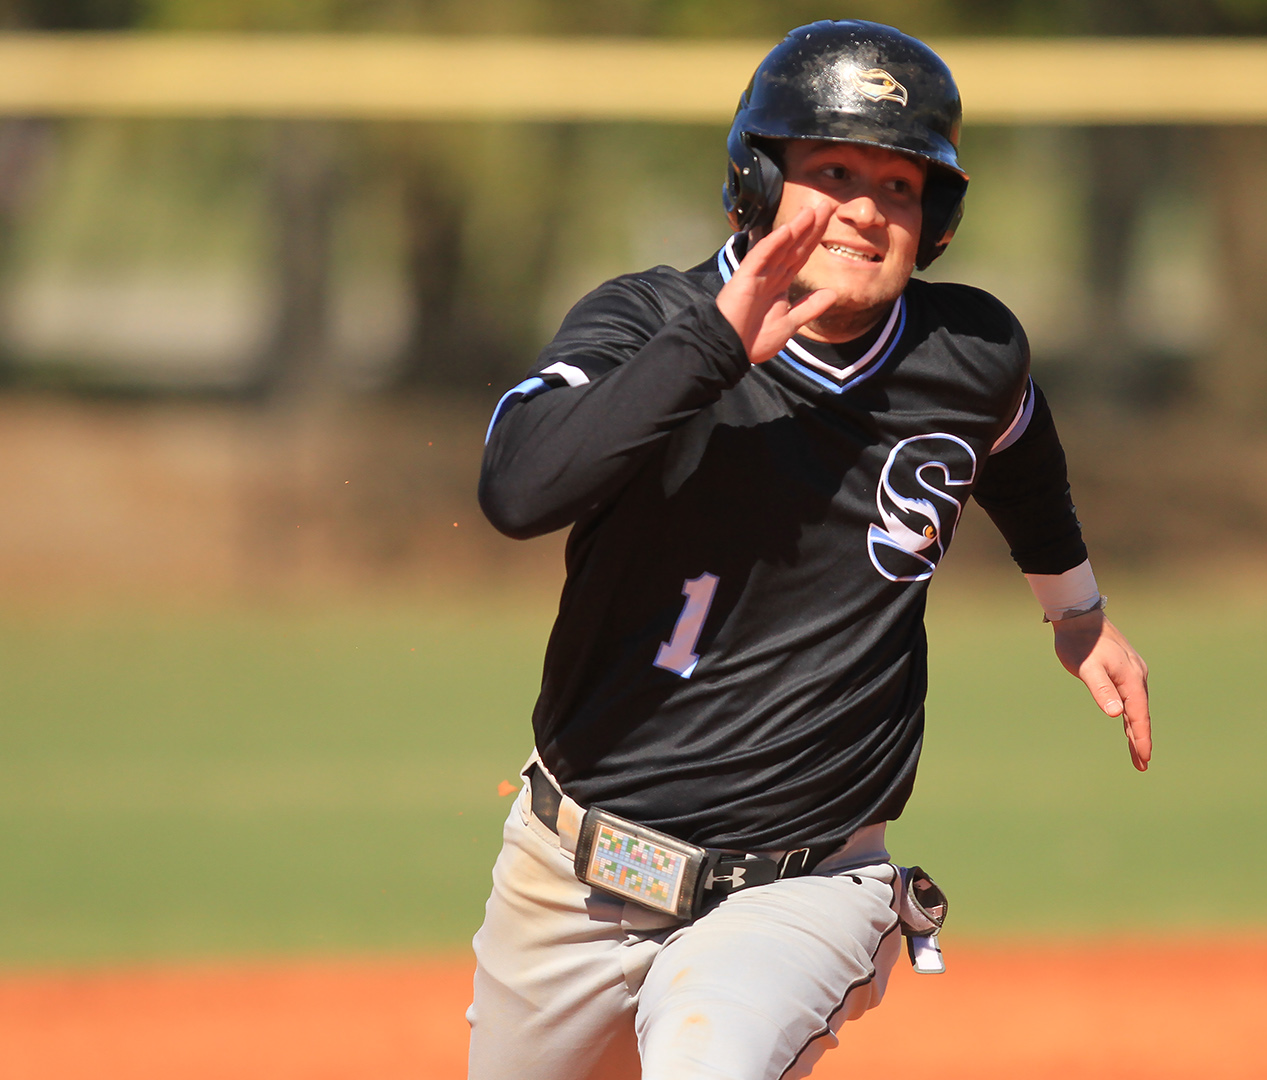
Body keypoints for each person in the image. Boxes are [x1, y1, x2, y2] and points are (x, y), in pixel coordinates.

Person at [470, 20, 1151, 1080]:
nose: (868, 212)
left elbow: (1017, 446)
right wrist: (711, 344)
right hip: (572, 878)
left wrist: (1077, 610)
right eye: (832, 171)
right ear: (754, 179)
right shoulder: (647, 321)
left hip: (800, 888)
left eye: (901, 187)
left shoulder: (965, 354)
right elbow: (517, 487)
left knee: (712, 1062)